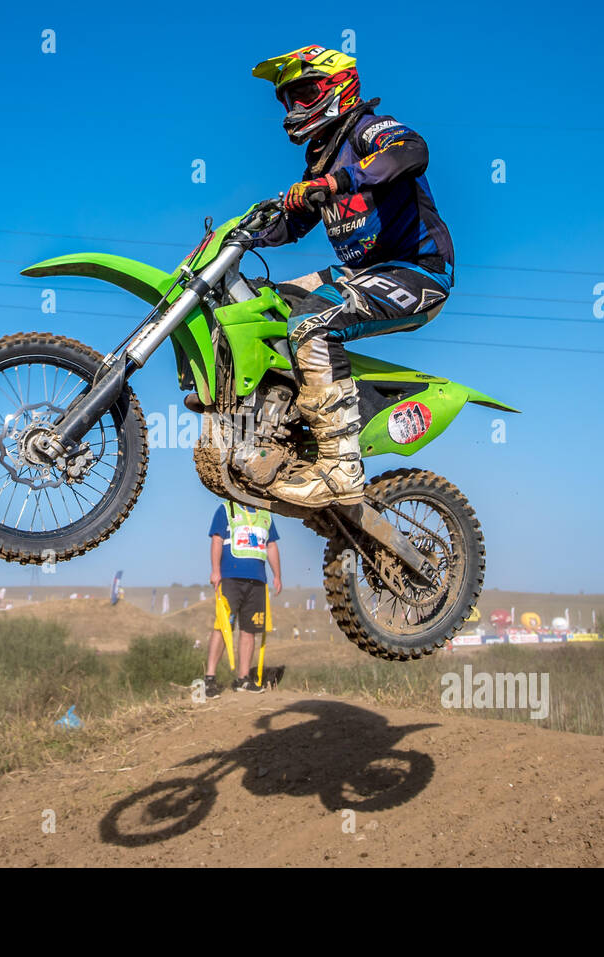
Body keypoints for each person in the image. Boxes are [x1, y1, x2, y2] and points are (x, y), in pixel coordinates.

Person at [248, 45, 455, 507]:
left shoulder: (366, 128)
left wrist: (336, 183)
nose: (294, 108)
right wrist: (241, 238)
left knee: (311, 324)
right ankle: (276, 428)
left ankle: (341, 467)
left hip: (417, 272)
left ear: (336, 87)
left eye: (303, 93)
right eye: (287, 100)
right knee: (258, 302)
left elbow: (411, 151)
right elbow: (290, 226)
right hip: (361, 273)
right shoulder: (319, 161)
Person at [202, 499, 282, 698]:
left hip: (257, 580)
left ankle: (243, 679)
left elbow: (271, 545)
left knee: (250, 630)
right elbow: (217, 540)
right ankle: (210, 678)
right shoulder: (226, 508)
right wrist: (215, 571)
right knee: (222, 626)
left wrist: (277, 575)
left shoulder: (265, 512)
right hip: (230, 577)